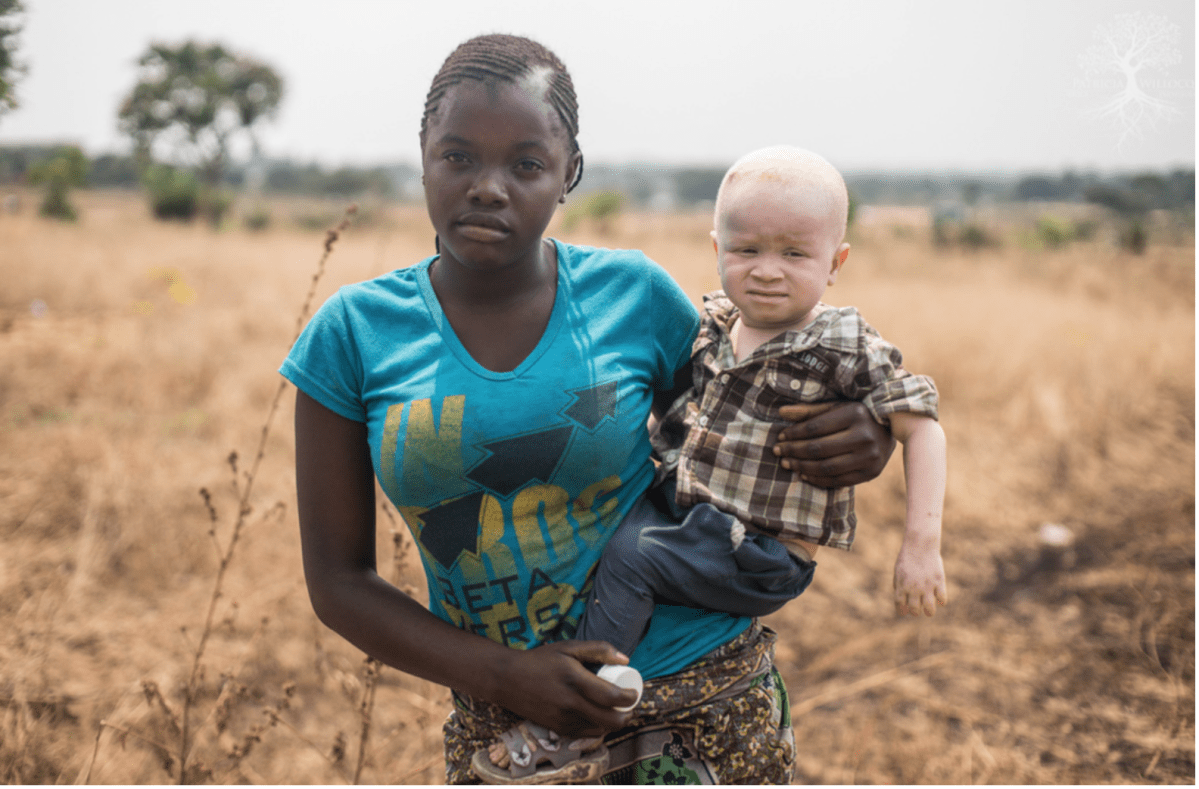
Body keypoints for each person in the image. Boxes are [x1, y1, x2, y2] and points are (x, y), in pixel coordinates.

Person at [282, 35, 893, 785]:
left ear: (570, 173)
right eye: (458, 155)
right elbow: (338, 582)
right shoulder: (353, 334)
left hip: (699, 698)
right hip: (513, 729)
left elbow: (755, 409)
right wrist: (507, 675)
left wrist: (866, 432)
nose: (488, 186)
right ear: (422, 154)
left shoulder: (632, 296)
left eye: (526, 164)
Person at [577, 146, 948, 669]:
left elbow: (924, 430)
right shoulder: (714, 324)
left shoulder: (842, 343)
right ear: (717, 249)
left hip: (760, 552)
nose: (767, 272)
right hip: (692, 518)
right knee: (599, 528)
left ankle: (579, 703)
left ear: (836, 262)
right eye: (746, 251)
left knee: (630, 559)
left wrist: (921, 546)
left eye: (794, 255)